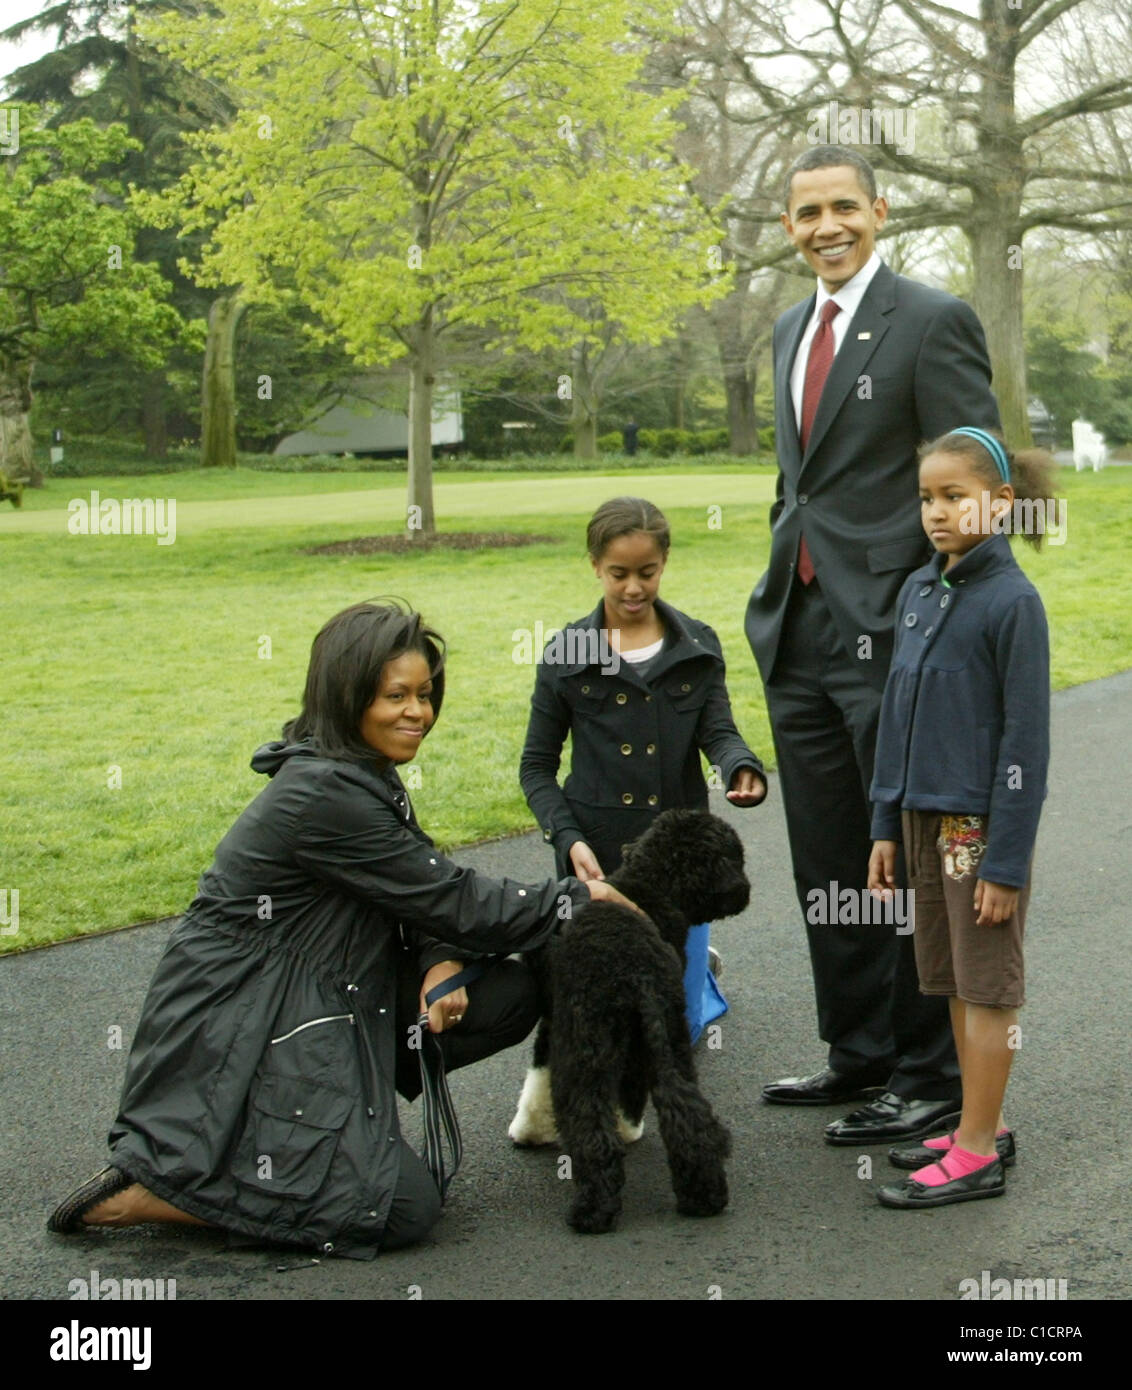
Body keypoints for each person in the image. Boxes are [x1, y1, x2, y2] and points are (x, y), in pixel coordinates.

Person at [47, 600, 636, 1257]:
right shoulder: (320, 794)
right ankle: (163, 1191)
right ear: (347, 694)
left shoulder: (356, 773)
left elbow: (418, 879)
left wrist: (441, 958)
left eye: (425, 694)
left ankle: (333, 1135)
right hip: (245, 1034)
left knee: (510, 994)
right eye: (396, 695)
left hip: (320, 1007)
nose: (418, 712)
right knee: (403, 1210)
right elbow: (453, 895)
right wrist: (583, 899)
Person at [746, 143, 1002, 1144]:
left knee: (905, 852)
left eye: (842, 206)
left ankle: (927, 1070)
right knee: (830, 859)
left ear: (880, 211)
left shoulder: (931, 321)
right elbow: (797, 484)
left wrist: (934, 613)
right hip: (798, 630)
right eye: (806, 212)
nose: (826, 227)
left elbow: (971, 483)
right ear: (788, 227)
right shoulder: (783, 331)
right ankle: (856, 1051)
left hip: (895, 630)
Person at [869, 428, 1054, 1207]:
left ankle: (976, 1150)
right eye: (926, 498)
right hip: (920, 820)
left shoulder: (1013, 603)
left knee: (988, 986)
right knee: (951, 978)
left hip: (976, 832)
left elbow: (1026, 744)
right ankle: (984, 1120)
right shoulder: (920, 591)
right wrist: (883, 822)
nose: (937, 513)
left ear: (1001, 503)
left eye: (954, 496)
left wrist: (1006, 865)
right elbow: (896, 716)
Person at [520, 496, 767, 1022]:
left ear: (665, 564)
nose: (633, 588)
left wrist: (740, 766)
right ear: (594, 566)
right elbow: (536, 766)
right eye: (618, 574)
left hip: (676, 859)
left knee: (673, 1024)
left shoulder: (698, 645)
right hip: (597, 850)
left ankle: (696, 969)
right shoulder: (565, 652)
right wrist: (568, 839)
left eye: (647, 573)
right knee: (598, 1014)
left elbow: (719, 731)